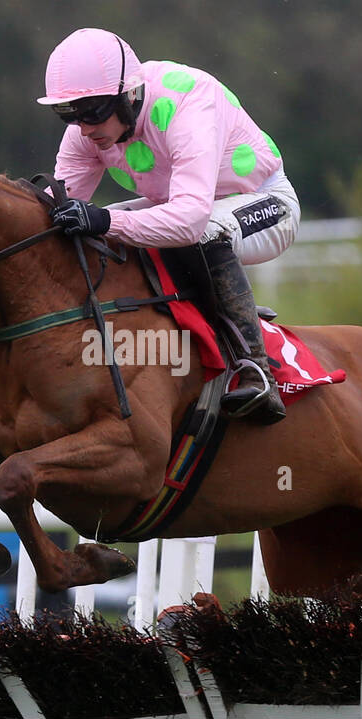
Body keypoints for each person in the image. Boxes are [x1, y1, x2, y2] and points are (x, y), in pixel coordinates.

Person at [37, 28, 300, 424]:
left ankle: (255, 368)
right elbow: (57, 207)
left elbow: (190, 221)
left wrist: (106, 219)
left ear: (129, 95)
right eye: (70, 114)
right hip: (186, 206)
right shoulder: (88, 130)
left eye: (91, 111)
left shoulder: (187, 102)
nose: (84, 128)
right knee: (78, 225)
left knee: (204, 230)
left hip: (264, 202)